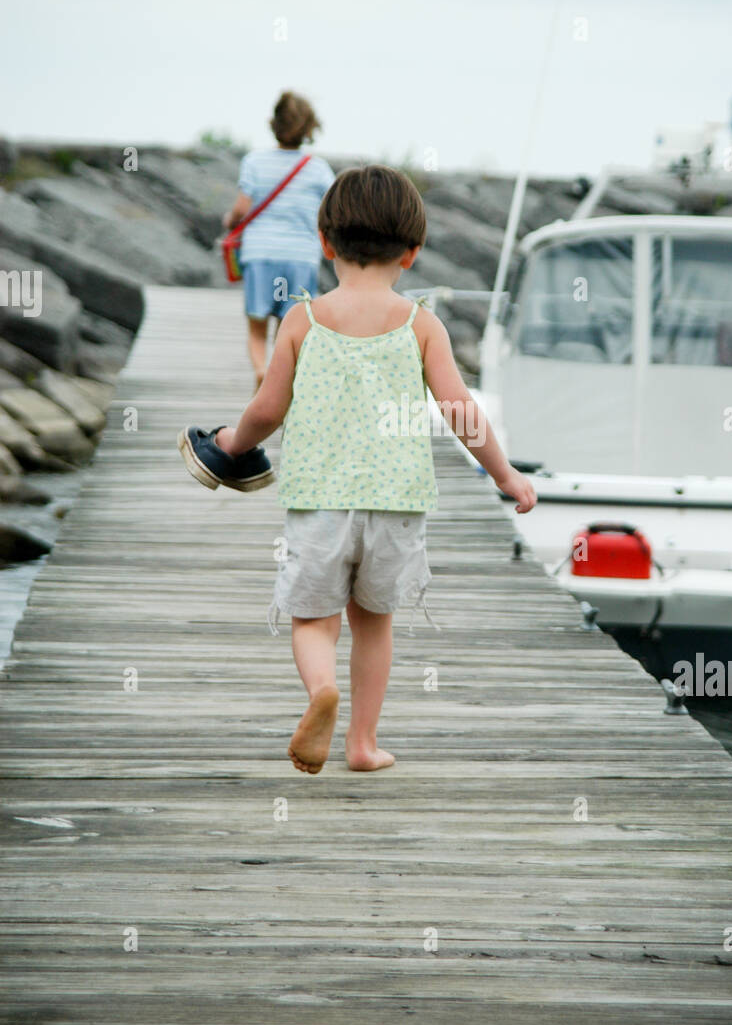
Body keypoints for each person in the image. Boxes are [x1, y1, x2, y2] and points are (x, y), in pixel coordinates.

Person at [182, 165, 536, 774]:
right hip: (395, 505)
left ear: (325, 244)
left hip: (319, 500)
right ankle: (362, 744)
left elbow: (268, 409)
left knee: (313, 621)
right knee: (374, 624)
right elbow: (460, 411)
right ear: (413, 250)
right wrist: (506, 476)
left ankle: (322, 690)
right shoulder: (422, 324)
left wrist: (232, 442)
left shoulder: (304, 320)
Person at [222, 91, 335, 387]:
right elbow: (334, 209)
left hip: (260, 254)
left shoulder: (254, 162)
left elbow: (242, 209)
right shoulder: (318, 168)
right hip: (301, 256)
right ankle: (279, 380)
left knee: (257, 328)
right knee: (290, 328)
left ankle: (261, 369)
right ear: (309, 128)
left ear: (274, 124)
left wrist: (230, 221)